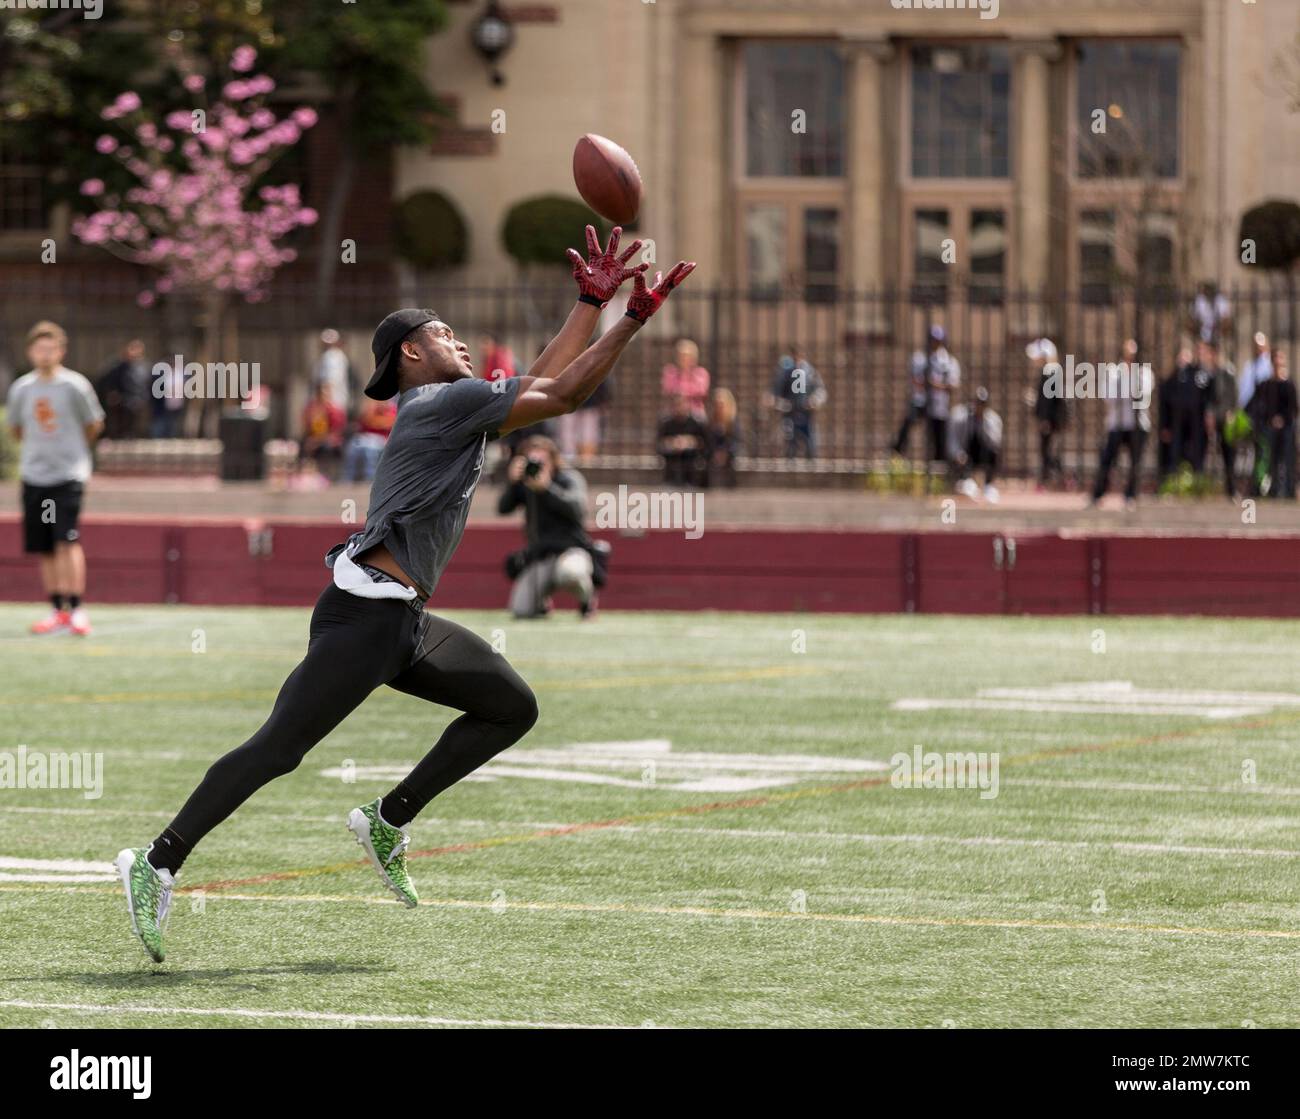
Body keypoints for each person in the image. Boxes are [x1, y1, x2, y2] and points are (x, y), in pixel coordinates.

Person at [112, 226, 694, 963]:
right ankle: (157, 860)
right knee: (278, 748)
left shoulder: (454, 406)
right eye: (444, 333)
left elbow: (546, 380)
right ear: (412, 355)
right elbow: (567, 392)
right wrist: (632, 319)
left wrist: (592, 301)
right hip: (365, 617)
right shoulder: (436, 404)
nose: (460, 341)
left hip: (401, 618)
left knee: (510, 705)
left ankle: (388, 818)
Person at [6, 320, 105, 637]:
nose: (45, 354)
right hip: (35, 476)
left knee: (67, 539)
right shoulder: (22, 388)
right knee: (45, 545)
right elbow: (17, 428)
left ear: (61, 351)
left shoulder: (75, 386)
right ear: (30, 351)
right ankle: (56, 608)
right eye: (39, 348)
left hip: (67, 476)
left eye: (51, 348)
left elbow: (94, 424)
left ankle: (76, 609)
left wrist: (70, 452)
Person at [498, 435, 603, 619]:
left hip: (571, 551)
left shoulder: (568, 479)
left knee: (571, 573)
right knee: (521, 611)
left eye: (542, 461)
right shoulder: (526, 484)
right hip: (541, 556)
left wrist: (546, 488)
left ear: (554, 460)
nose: (537, 466)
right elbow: (503, 508)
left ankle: (587, 599)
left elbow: (576, 509)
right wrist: (512, 483)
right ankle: (541, 603)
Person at [1089, 338, 1151, 509]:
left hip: (1137, 424)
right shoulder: (1114, 371)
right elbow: (1107, 396)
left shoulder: (1144, 372)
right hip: (1116, 423)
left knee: (1135, 463)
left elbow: (1142, 396)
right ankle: (1097, 494)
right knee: (1107, 460)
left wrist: (1126, 389)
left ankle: (1131, 495)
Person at [896, 325, 958, 463]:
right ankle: (897, 451)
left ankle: (939, 463)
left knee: (939, 436)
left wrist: (932, 384)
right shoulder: (919, 358)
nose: (934, 343)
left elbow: (952, 385)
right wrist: (933, 384)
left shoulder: (949, 361)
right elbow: (915, 380)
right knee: (908, 422)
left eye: (937, 340)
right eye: (932, 339)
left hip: (939, 404)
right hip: (921, 400)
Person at [767, 347, 827, 459]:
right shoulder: (785, 373)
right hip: (789, 413)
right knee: (790, 445)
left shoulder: (811, 373)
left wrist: (814, 401)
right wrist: (779, 403)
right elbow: (776, 392)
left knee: (811, 445)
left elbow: (820, 391)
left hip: (806, 413)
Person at [946, 386, 1002, 502]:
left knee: (993, 452)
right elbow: (952, 440)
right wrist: (957, 454)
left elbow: (995, 443)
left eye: (982, 404)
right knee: (959, 459)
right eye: (977, 403)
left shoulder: (992, 419)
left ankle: (988, 486)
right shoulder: (959, 416)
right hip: (964, 453)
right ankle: (964, 482)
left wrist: (983, 424)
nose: (979, 407)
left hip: (982, 453)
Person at [1160, 345, 1208, 478]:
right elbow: (1165, 404)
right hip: (1176, 422)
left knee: (1194, 453)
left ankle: (1196, 479)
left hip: (1194, 423)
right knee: (1175, 453)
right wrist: (1165, 425)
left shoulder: (1198, 375)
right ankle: (1173, 478)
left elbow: (1205, 398)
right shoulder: (1171, 379)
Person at [1199, 339, 1239, 498]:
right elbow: (1207, 399)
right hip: (1213, 419)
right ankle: (1206, 488)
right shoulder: (1208, 374)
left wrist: (1231, 412)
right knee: (1209, 454)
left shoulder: (1227, 372)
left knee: (1229, 453)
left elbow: (1233, 396)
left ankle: (1232, 489)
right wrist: (1209, 415)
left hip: (1226, 418)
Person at [1258, 349, 1296, 499]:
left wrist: (1282, 419)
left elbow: (1293, 407)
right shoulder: (1267, 384)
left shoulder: (1289, 384)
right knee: (1272, 458)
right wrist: (1272, 420)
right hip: (1271, 426)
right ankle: (1273, 489)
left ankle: (1289, 490)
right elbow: (1265, 406)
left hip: (1287, 426)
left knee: (1287, 459)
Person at [1027, 337, 1064, 488]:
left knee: (1047, 451)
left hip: (1049, 420)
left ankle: (1052, 478)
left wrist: (1045, 419)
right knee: (1047, 450)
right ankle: (1051, 478)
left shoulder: (1050, 372)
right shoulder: (1051, 372)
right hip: (1050, 419)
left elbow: (1049, 399)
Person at [96, 338, 150, 440]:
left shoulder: (144, 366)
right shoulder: (115, 366)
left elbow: (147, 383)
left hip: (137, 400)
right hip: (121, 400)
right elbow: (106, 382)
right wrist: (112, 393)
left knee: (133, 425)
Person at [340, 395, 397, 483]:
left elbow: (386, 424)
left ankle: (369, 479)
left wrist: (376, 422)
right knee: (352, 446)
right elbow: (364, 422)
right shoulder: (372, 409)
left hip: (382, 440)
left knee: (369, 450)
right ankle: (348, 478)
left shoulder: (393, 410)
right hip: (365, 438)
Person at [298, 381, 346, 482]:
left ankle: (327, 478)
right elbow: (306, 428)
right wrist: (310, 440)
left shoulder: (335, 410)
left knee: (326, 448)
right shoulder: (311, 409)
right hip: (313, 440)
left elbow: (336, 432)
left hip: (330, 441)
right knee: (301, 445)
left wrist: (318, 441)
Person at [657, 393, 708, 484]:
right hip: (672, 459)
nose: (679, 408)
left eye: (681, 404)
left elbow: (703, 442)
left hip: (690, 459)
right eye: (677, 405)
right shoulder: (667, 424)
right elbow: (659, 443)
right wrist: (672, 443)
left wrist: (689, 442)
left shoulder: (695, 423)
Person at [660, 337, 709, 420]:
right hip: (674, 410)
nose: (684, 359)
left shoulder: (701, 374)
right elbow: (667, 390)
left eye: (686, 356)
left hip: (694, 410)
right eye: (681, 356)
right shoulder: (670, 372)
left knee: (701, 419)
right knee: (663, 418)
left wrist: (682, 396)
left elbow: (701, 392)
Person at [704, 386, 739, 488]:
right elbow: (708, 441)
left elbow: (735, 441)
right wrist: (715, 453)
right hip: (713, 452)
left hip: (728, 452)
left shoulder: (732, 422)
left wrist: (725, 453)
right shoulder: (710, 421)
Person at [314, 329, 353, 415]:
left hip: (331, 401)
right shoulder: (338, 355)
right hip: (338, 400)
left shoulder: (331, 356)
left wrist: (325, 400)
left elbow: (330, 380)